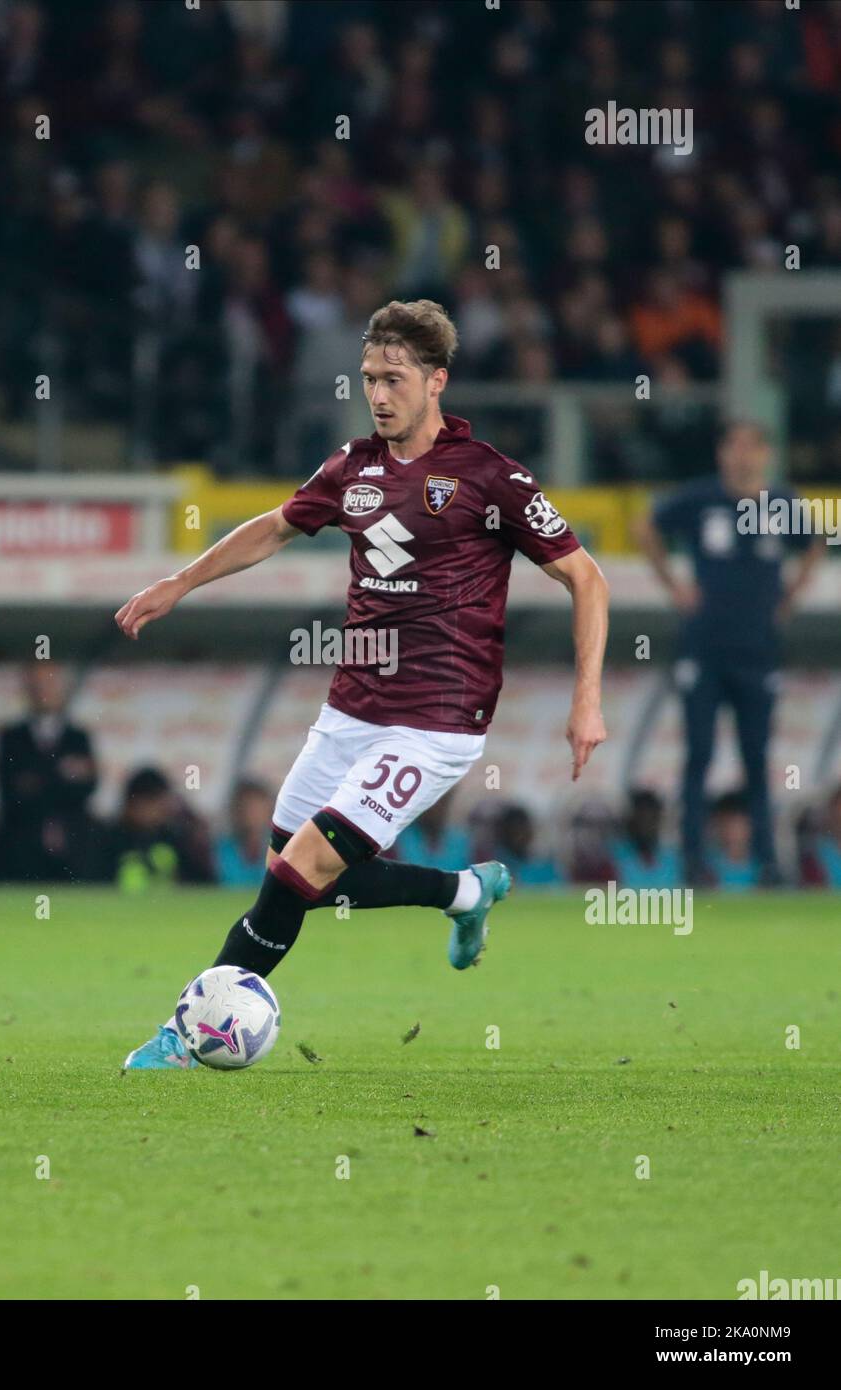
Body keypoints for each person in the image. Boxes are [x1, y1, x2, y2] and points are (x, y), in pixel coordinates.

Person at [116, 298, 608, 1071]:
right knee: (294, 872)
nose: (378, 394)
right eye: (368, 378)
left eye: (394, 379)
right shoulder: (350, 468)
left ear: (436, 381)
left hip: (437, 720)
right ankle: (463, 894)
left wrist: (585, 701)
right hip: (350, 709)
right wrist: (179, 582)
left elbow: (585, 577)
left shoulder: (491, 477)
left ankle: (183, 1035)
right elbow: (274, 526)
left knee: (300, 872)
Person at [637, 421, 821, 885]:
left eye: (751, 447)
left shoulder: (782, 503)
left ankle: (767, 863)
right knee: (698, 754)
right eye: (734, 446)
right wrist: (675, 586)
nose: (742, 456)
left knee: (756, 757)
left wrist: (791, 596)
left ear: (766, 454)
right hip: (704, 646)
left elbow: (818, 541)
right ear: (721, 453)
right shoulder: (700, 499)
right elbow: (645, 526)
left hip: (758, 648)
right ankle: (693, 861)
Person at [0, 662, 98, 881]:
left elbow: (88, 786)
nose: (43, 691)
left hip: (73, 843)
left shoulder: (78, 737)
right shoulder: (11, 737)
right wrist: (62, 773)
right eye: (37, 685)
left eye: (49, 684)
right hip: (23, 843)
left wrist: (37, 778)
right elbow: (9, 790)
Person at [106, 767, 215, 891]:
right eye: (150, 801)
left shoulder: (177, 839)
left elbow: (202, 883)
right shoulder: (111, 841)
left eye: (160, 801)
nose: (157, 809)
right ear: (132, 803)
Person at [609, 789, 680, 889]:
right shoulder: (614, 855)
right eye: (642, 818)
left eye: (652, 818)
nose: (646, 826)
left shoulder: (671, 859)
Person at [215, 778, 276, 887]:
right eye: (248, 808)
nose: (254, 815)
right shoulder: (223, 848)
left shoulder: (280, 848)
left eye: (258, 809)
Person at [393, 788, 471, 871]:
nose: (438, 809)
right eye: (434, 803)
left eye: (442, 802)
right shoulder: (402, 837)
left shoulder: (460, 842)